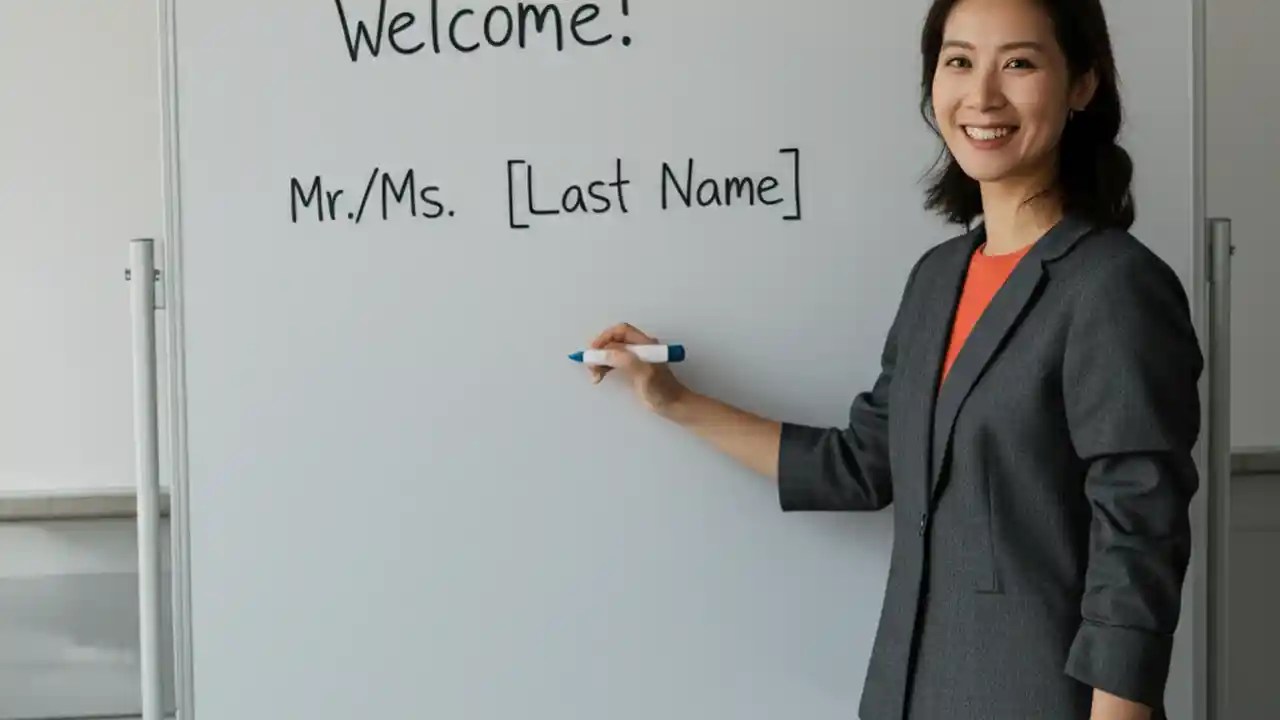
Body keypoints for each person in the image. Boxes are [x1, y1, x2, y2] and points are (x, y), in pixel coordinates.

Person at [580, 0, 1202, 718]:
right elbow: (864, 465)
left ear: (1083, 86)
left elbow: (1140, 536)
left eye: (1020, 63)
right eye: (959, 61)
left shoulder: (1114, 285)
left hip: (1041, 696)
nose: (983, 96)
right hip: (910, 690)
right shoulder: (938, 277)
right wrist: (674, 400)